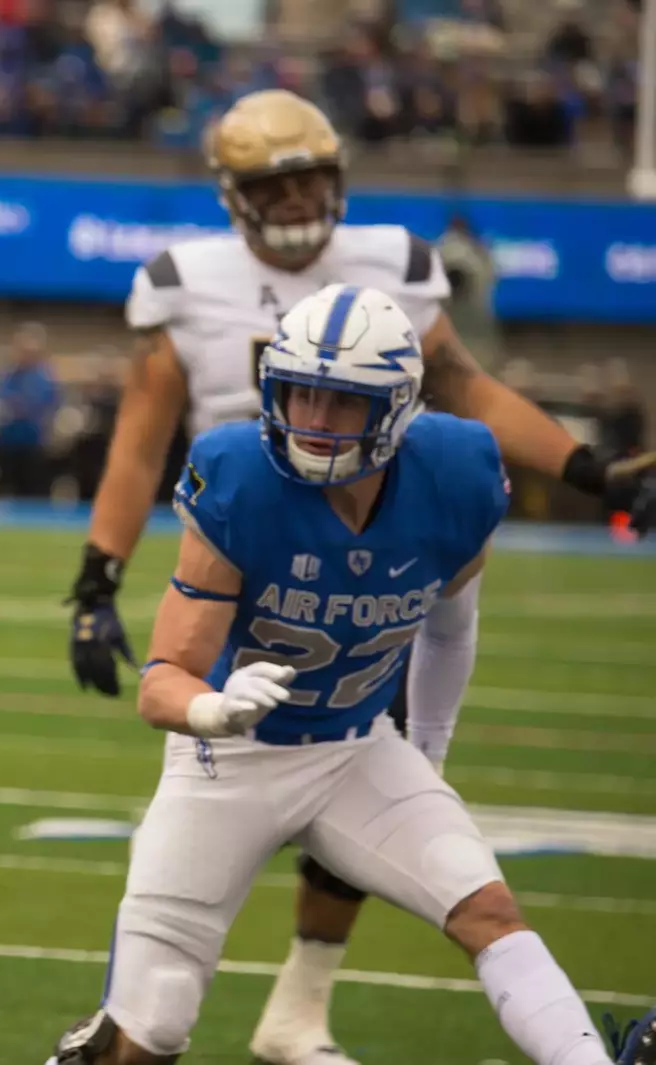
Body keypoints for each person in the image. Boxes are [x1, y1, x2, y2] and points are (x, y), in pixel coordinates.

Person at [64, 88, 656, 1065]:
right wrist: (99, 582)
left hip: (367, 591)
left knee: (470, 887)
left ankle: (304, 1010)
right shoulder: (219, 393)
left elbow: (465, 398)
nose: (297, 200)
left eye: (311, 177)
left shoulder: (446, 444)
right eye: (274, 183)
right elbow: (137, 448)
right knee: (155, 1020)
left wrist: (587, 471)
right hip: (247, 531)